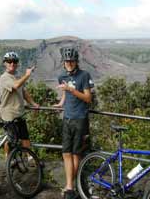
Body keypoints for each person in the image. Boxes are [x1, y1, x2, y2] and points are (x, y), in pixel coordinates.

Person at [54, 47, 94, 199]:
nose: (69, 63)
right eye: (66, 61)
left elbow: (88, 98)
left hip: (80, 119)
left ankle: (70, 186)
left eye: (71, 61)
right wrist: (60, 103)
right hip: (67, 118)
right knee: (66, 153)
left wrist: (71, 90)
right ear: (63, 62)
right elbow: (64, 93)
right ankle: (71, 184)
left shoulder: (84, 75)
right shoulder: (61, 76)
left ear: (76, 61)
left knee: (76, 154)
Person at [0, 51, 39, 158]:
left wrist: (33, 103)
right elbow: (16, 86)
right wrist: (27, 75)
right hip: (9, 115)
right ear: (5, 63)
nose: (12, 63)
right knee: (11, 140)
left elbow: (23, 92)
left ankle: (30, 159)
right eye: (9, 61)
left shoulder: (15, 77)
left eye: (14, 61)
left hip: (19, 113)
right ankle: (8, 158)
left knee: (25, 137)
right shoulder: (4, 78)